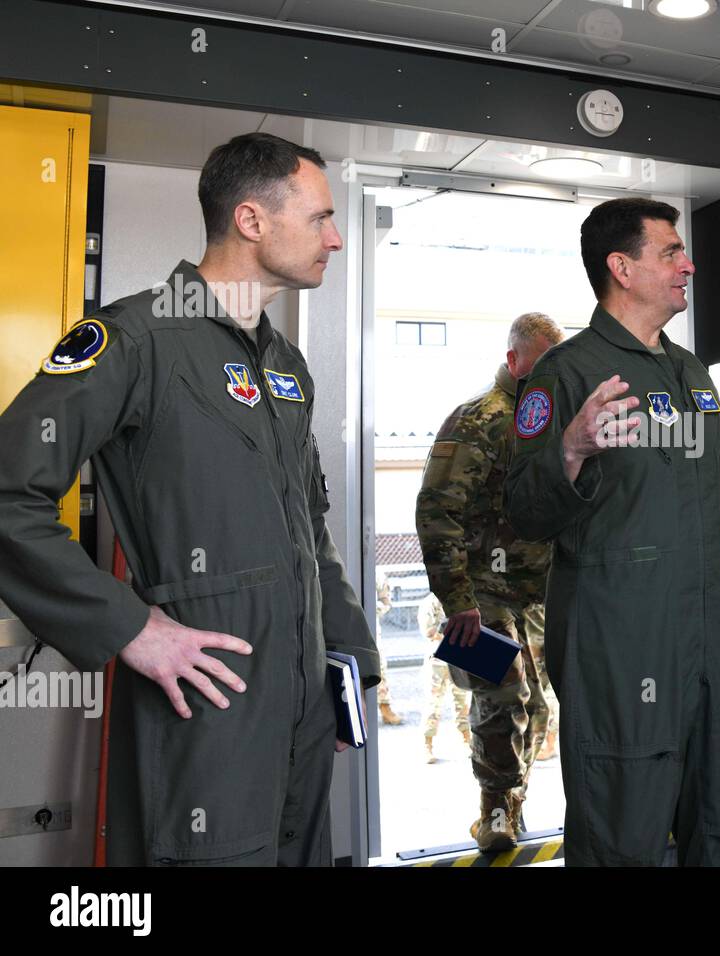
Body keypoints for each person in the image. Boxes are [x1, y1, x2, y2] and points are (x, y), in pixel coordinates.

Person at [0, 132, 378, 865]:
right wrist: (130, 628)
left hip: (302, 705)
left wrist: (349, 657)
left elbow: (311, 527)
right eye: (321, 218)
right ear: (251, 220)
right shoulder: (133, 338)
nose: (335, 239)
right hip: (205, 699)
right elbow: (9, 492)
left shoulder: (286, 365)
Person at [503, 197, 720, 866]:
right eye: (671, 252)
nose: (688, 264)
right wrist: (569, 450)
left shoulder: (690, 373)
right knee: (622, 824)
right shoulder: (566, 373)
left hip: (705, 633)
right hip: (619, 639)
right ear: (622, 267)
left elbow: (712, 487)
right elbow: (523, 512)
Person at [415, 312, 563, 851]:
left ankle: (511, 807)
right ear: (514, 360)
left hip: (535, 597)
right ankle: (496, 810)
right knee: (504, 697)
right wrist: (457, 600)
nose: (552, 375)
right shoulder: (479, 419)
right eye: (543, 363)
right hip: (479, 595)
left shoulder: (545, 422)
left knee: (538, 707)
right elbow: (436, 511)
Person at [416, 591, 471, 763]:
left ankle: (467, 740)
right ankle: (427, 745)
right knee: (433, 704)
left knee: (463, 702)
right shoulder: (430, 603)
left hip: (459, 657)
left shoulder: (460, 600)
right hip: (438, 660)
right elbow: (429, 631)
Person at [376, 572, 403, 726]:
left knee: (378, 667)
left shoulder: (378, 576)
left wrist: (369, 607)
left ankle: (385, 707)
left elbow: (386, 603)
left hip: (371, 628)